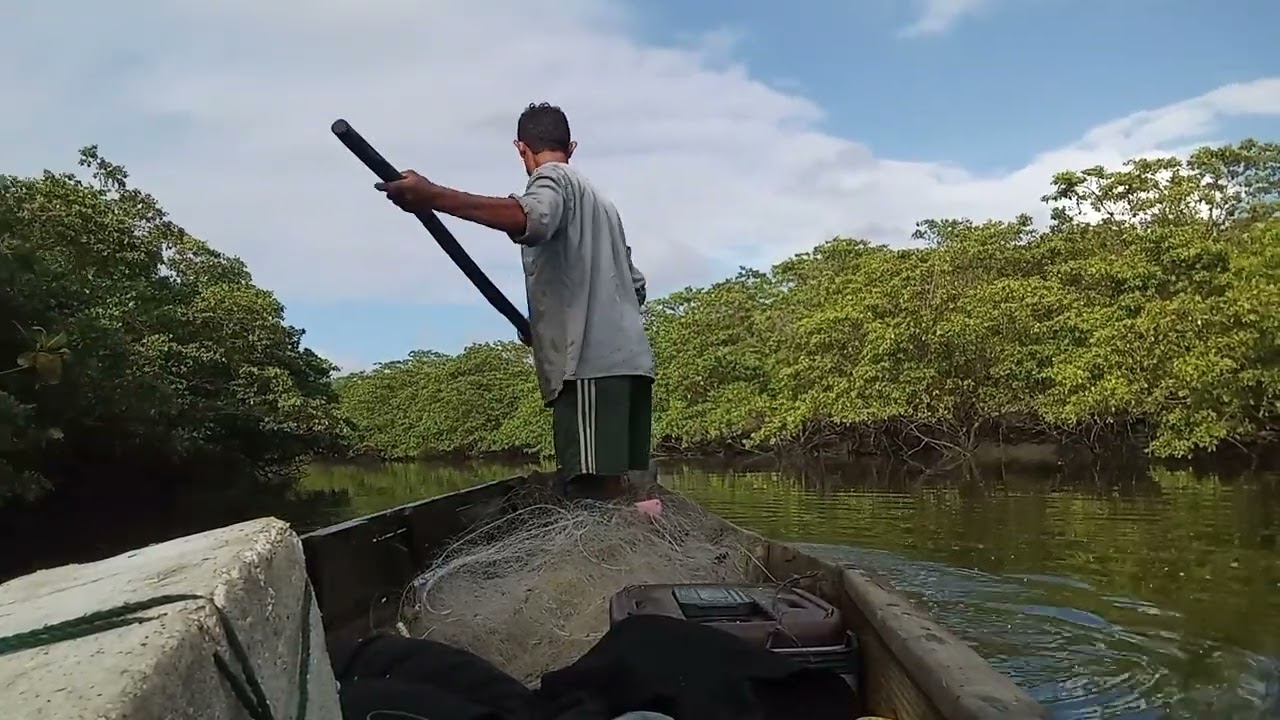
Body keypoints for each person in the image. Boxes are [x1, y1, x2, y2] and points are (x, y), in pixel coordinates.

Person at [375, 102, 656, 499]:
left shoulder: (552, 180)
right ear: (571, 146)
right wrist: (546, 327)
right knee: (622, 490)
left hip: (590, 369)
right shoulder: (604, 207)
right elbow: (635, 287)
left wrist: (432, 195)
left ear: (521, 148)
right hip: (631, 367)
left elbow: (529, 218)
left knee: (594, 497)